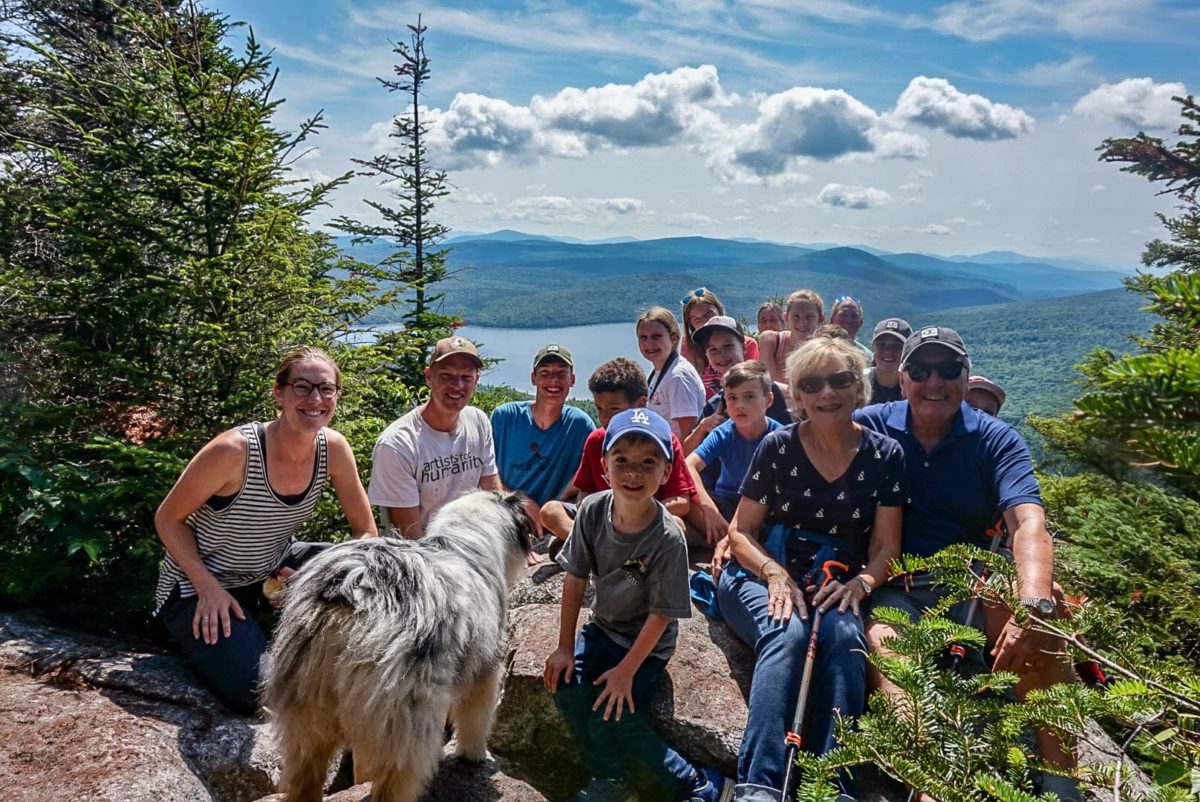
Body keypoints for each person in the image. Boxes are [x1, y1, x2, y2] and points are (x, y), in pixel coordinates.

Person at [853, 326, 1080, 802]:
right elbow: (804, 447)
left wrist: (1033, 601)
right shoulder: (872, 425)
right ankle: (934, 780)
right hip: (900, 585)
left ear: (966, 374)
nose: (934, 381)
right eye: (920, 370)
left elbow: (1027, 522)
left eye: (948, 369)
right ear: (903, 377)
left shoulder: (994, 439)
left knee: (1043, 629)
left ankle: (1063, 786)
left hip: (974, 582)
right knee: (888, 650)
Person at [711, 338, 904, 800]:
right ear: (796, 395)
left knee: (844, 637)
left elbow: (886, 548)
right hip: (764, 569)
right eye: (812, 384)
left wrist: (862, 583)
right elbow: (741, 532)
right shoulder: (778, 448)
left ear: (859, 388)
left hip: (837, 579)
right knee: (787, 631)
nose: (827, 393)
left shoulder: (884, 456)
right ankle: (760, 784)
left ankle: (833, 785)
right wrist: (774, 575)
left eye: (840, 380)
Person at [153, 347, 378, 713]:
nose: (315, 400)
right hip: (199, 586)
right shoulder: (234, 451)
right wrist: (207, 588)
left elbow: (366, 533)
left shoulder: (333, 449)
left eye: (326, 389)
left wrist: (311, 579)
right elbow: (167, 518)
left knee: (365, 566)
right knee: (267, 693)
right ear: (279, 392)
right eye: (302, 387)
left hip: (271, 567)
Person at [544, 409, 726, 802]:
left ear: (666, 472)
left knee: (617, 715)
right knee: (566, 686)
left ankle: (693, 782)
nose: (633, 472)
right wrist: (562, 647)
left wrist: (626, 672)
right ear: (604, 467)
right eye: (621, 460)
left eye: (648, 463)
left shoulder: (667, 537)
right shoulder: (592, 509)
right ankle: (612, 776)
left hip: (644, 647)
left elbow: (662, 614)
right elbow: (575, 577)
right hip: (603, 628)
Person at [540, 358, 695, 543]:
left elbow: (681, 502)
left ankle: (592, 549)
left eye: (614, 410)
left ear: (640, 404)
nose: (604, 417)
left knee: (677, 524)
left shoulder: (663, 441)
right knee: (551, 511)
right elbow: (584, 491)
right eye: (599, 409)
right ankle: (590, 548)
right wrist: (599, 514)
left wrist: (637, 514)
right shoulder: (597, 440)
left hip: (646, 521)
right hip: (602, 519)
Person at [368, 336, 499, 539]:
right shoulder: (398, 444)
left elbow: (490, 496)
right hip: (419, 558)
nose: (457, 386)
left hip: (472, 546)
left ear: (476, 380)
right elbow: (409, 536)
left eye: (466, 377)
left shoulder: (478, 422)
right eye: (447, 376)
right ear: (429, 377)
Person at [490, 344, 595, 512]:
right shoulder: (505, 417)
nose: (553, 380)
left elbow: (591, 473)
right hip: (504, 512)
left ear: (572, 379)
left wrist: (557, 505)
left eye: (561, 373)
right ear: (534, 378)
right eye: (545, 373)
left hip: (553, 521)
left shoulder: (579, 425)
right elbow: (485, 473)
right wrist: (521, 504)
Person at [686, 361, 783, 522]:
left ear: (769, 399)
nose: (739, 405)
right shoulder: (723, 433)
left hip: (763, 505)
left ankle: (728, 539)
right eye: (732, 398)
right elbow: (689, 465)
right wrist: (709, 508)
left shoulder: (780, 437)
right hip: (727, 501)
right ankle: (727, 535)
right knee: (684, 501)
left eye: (749, 397)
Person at [683, 316, 791, 457]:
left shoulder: (770, 392)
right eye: (712, 350)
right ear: (707, 355)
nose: (721, 355)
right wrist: (702, 427)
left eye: (728, 346)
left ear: (744, 346)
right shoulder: (714, 406)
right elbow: (684, 454)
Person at [637, 306, 705, 438]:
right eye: (643, 337)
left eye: (656, 337)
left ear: (674, 338)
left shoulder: (678, 377)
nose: (649, 343)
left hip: (676, 456)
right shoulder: (659, 370)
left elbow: (688, 437)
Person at [679, 287, 760, 398]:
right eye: (696, 319)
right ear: (691, 325)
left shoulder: (746, 344)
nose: (704, 322)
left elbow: (752, 382)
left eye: (708, 315)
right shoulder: (689, 348)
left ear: (719, 311)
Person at [759, 289, 824, 383]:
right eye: (796, 316)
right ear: (786, 317)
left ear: (820, 319)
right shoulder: (771, 341)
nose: (802, 323)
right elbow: (769, 386)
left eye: (809, 317)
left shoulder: (823, 351)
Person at [865, 317, 912, 404]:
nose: (888, 351)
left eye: (897, 345)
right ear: (873, 347)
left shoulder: (915, 387)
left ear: (908, 351)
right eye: (881, 344)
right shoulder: (859, 383)